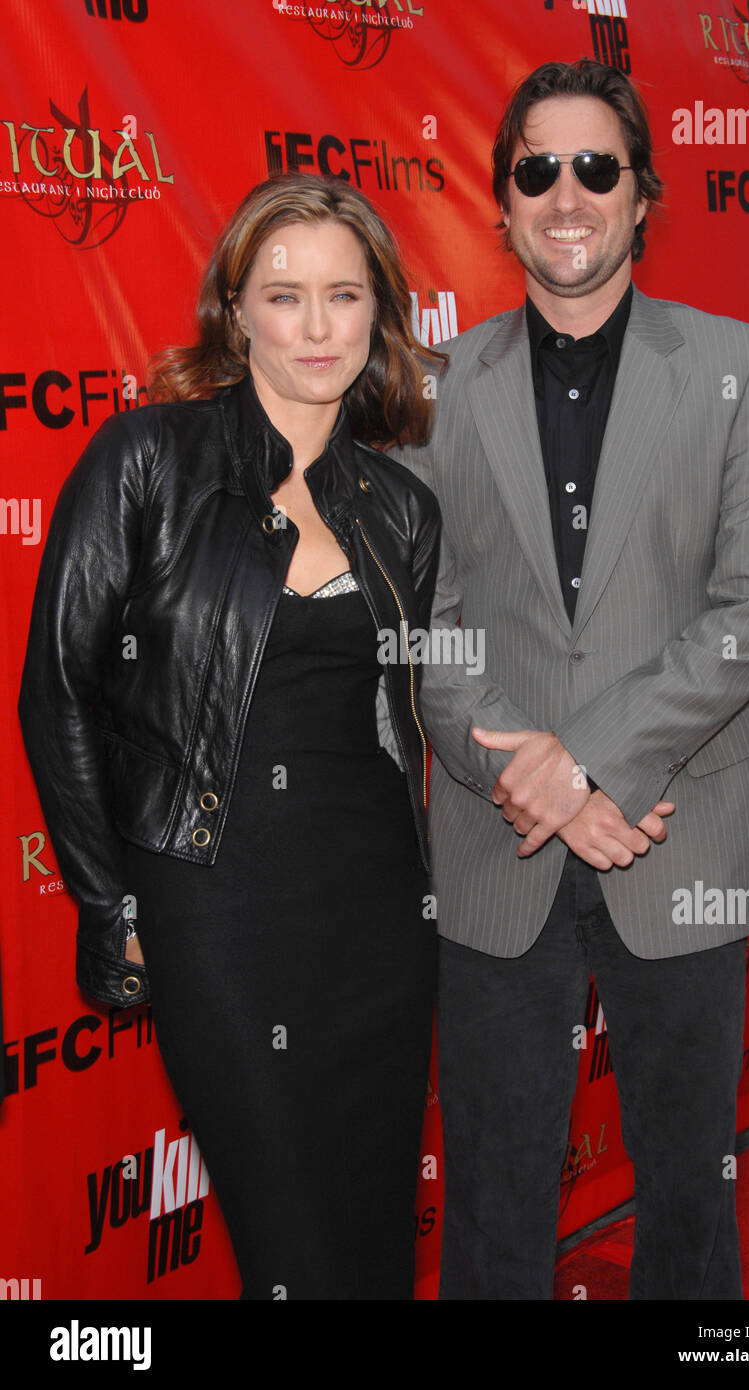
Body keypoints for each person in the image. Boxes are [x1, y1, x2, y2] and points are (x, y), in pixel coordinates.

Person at [391, 59, 749, 1300]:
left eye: (593, 167)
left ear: (639, 196)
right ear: (503, 202)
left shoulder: (737, 368)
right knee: (492, 1195)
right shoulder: (434, 391)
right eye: (536, 169)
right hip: (491, 836)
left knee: (689, 1188)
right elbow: (428, 628)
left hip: (678, 825)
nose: (563, 193)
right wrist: (535, 776)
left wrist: (592, 764)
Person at [18, 173, 444, 1300]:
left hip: (376, 906)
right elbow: (55, 690)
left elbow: (404, 718)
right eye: (283, 295)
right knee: (291, 1248)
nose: (315, 328)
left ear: (378, 314)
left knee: (370, 1238)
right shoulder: (148, 461)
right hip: (217, 905)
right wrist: (112, 906)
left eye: (343, 296)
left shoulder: (400, 508)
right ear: (236, 312)